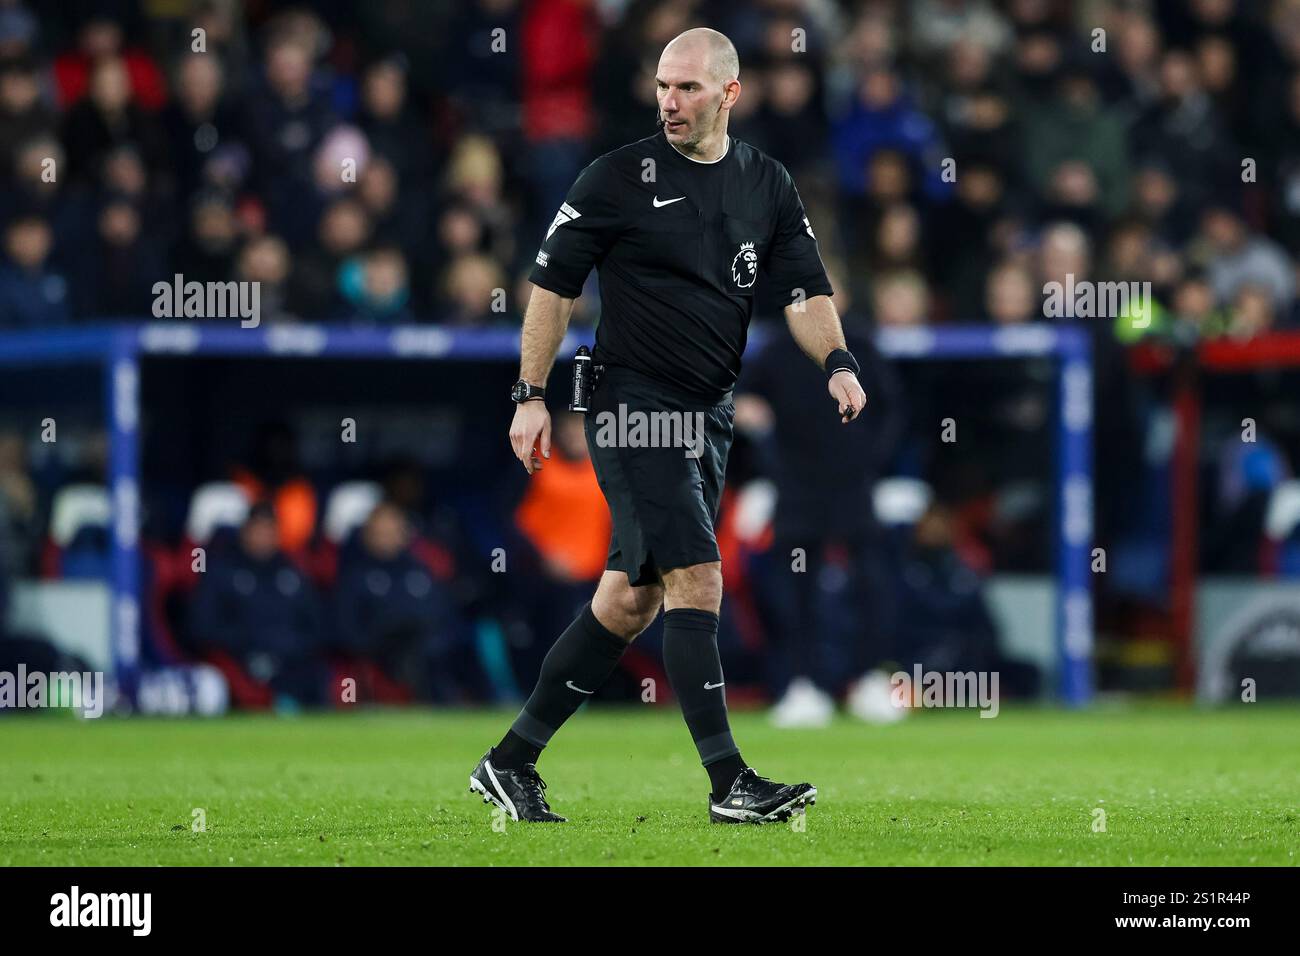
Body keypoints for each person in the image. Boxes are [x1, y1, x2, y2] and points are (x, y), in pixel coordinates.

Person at [470, 28, 867, 825]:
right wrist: (530, 392)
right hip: (632, 406)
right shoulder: (617, 177)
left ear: (729, 94)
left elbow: (804, 291)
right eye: (661, 86)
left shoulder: (767, 183)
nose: (669, 101)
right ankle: (731, 784)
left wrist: (838, 361)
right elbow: (551, 285)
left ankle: (509, 763)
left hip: (708, 413)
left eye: (687, 88)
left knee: (628, 601)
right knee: (699, 578)